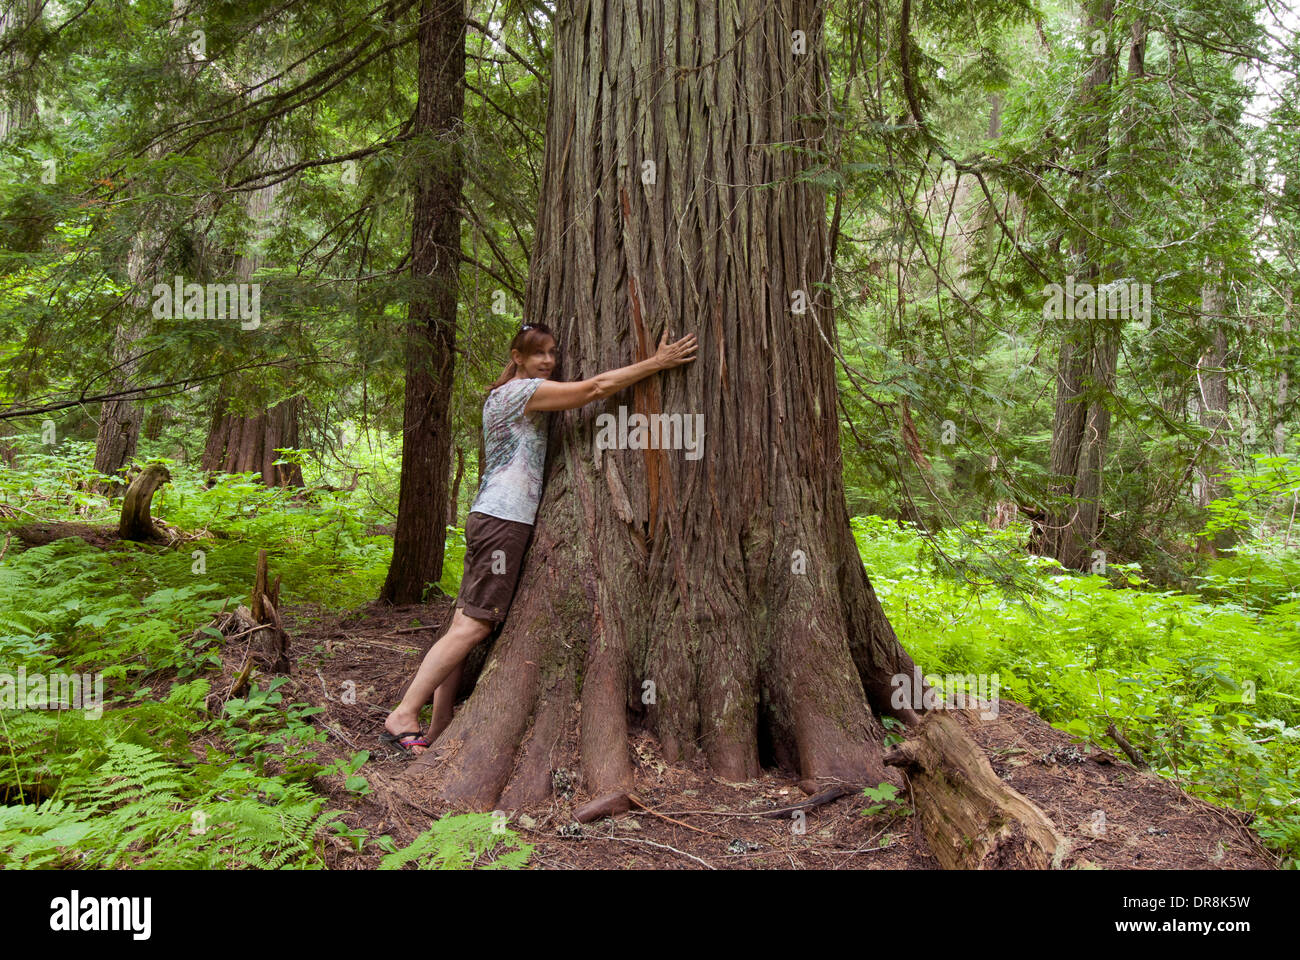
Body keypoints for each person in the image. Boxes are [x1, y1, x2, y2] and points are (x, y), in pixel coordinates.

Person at [382, 320, 698, 755]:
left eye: (552, 353)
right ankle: (404, 712)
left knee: (462, 622)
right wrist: (657, 362)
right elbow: (595, 389)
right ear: (518, 358)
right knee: (474, 626)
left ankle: (438, 729)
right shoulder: (521, 392)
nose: (549, 361)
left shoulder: (502, 394)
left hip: (489, 514)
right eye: (538, 354)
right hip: (504, 519)